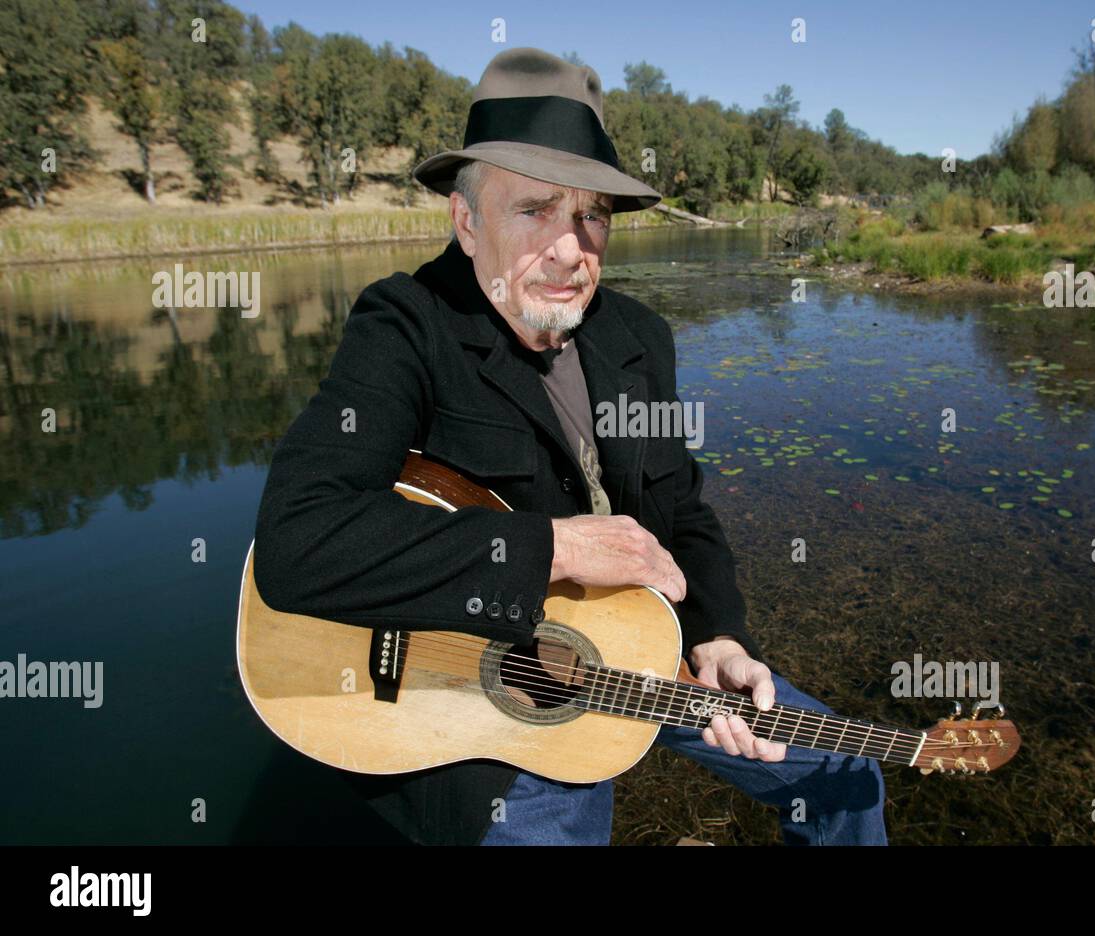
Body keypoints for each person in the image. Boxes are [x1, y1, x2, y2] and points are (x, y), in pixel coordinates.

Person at [253, 47, 886, 846]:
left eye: (592, 216)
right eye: (535, 210)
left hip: (641, 652)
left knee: (846, 777)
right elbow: (296, 543)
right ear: (465, 218)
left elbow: (681, 511)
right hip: (489, 695)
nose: (569, 248)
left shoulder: (638, 338)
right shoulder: (405, 327)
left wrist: (719, 635)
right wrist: (557, 546)